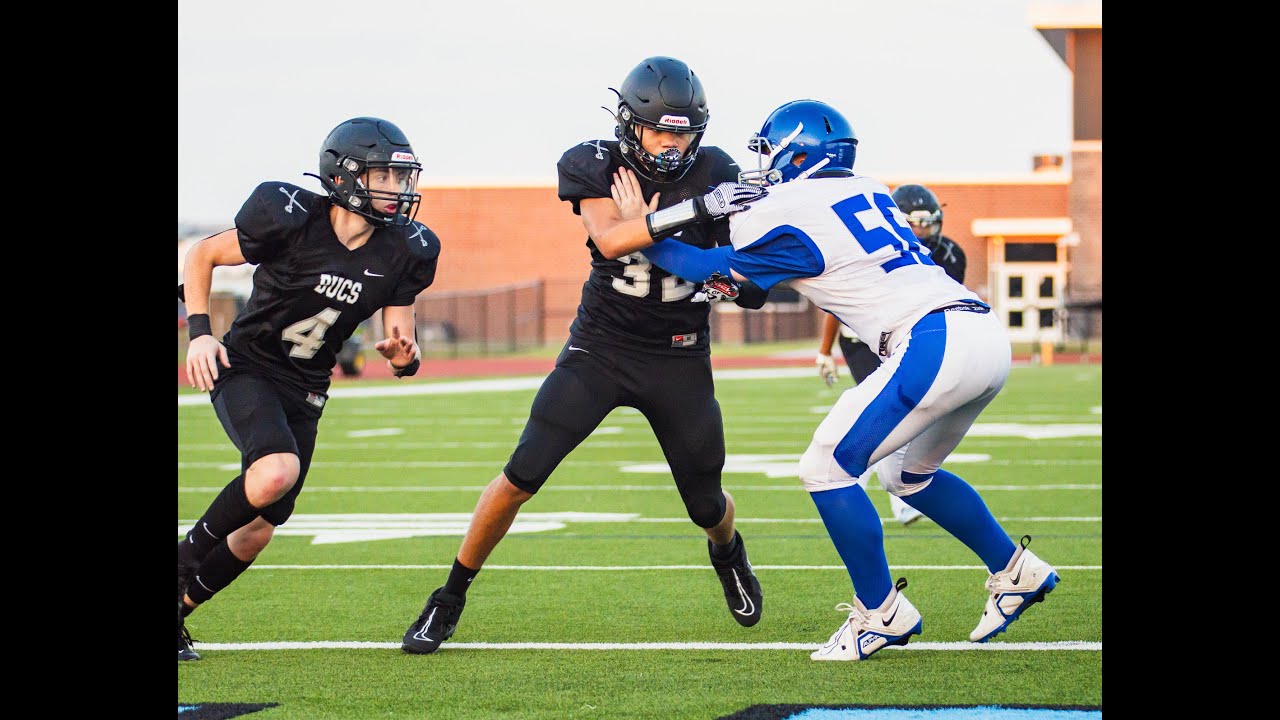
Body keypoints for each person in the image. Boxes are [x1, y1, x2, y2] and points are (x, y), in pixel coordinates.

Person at [607, 99, 1060, 662]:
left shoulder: (790, 207)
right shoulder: (867, 189)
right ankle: (1016, 570)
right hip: (982, 334)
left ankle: (880, 612)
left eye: (771, 153)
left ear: (798, 155)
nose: (764, 166)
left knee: (825, 468)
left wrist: (643, 233)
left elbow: (713, 269)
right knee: (907, 474)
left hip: (933, 341)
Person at [400, 56, 769, 655]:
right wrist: (694, 210)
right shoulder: (596, 162)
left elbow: (746, 277)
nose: (673, 145)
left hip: (679, 354)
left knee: (706, 503)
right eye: (660, 130)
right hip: (601, 348)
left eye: (683, 134)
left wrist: (734, 276)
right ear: (630, 123)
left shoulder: (717, 170)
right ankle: (450, 595)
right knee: (521, 475)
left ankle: (727, 551)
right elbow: (612, 238)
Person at [177, 117, 442, 661]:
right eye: (384, 175)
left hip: (306, 388)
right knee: (276, 470)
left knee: (259, 528)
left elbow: (402, 340)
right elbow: (201, 255)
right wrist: (200, 334)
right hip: (248, 364)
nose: (396, 188)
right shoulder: (290, 216)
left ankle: (178, 611)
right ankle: (182, 561)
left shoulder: (406, 250)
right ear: (343, 177)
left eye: (401, 177)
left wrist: (404, 357)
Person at [814, 183, 967, 527]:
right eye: (915, 223)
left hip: (910, 337)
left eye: (928, 222)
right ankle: (854, 481)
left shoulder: (950, 254)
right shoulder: (871, 251)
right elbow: (835, 306)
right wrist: (825, 351)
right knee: (888, 411)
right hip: (863, 338)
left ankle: (879, 485)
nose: (923, 230)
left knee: (905, 412)